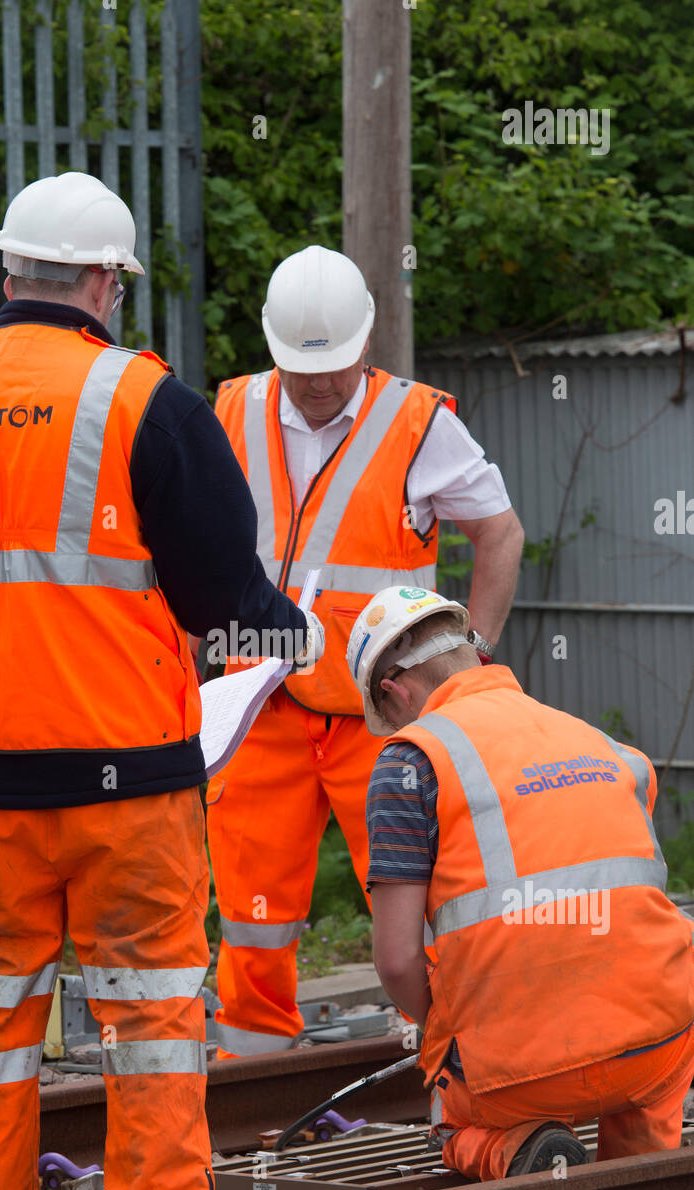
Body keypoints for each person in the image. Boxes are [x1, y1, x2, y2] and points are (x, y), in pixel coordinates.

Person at [0, 172, 320, 1190]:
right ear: (107, 280)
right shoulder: (148, 402)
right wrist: (289, 634)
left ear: (8, 272)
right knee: (148, 1016)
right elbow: (221, 597)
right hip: (131, 786)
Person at [206, 245, 524, 1059]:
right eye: (300, 369)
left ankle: (452, 1052)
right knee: (251, 900)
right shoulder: (230, 409)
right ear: (271, 346)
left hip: (383, 713)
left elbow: (499, 531)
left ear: (365, 346)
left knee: (424, 891)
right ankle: (252, 1065)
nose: (317, 384)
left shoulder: (417, 422)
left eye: (334, 368)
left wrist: (472, 658)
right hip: (259, 704)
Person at [349, 586, 694, 1179]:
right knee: (651, 1077)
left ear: (394, 690)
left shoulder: (410, 760)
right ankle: (641, 1186)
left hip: (518, 1078)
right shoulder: (598, 742)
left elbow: (398, 962)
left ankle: (516, 1151)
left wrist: (455, 1034)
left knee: (450, 1114)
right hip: (661, 1047)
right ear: (472, 655)